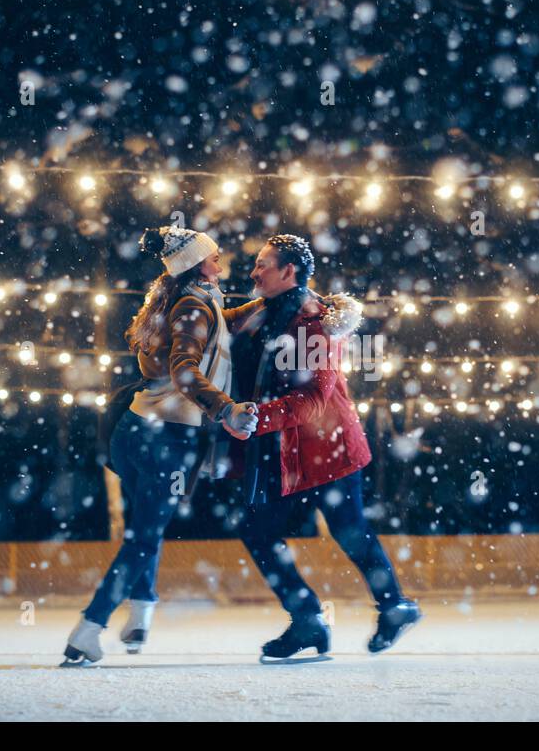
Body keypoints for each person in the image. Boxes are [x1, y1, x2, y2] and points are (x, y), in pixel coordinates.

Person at [63, 226, 261, 665]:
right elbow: (185, 371)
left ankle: (141, 613)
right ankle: (89, 628)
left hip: (134, 433)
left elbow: (217, 325)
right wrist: (225, 409)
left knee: (145, 529)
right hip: (166, 439)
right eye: (213, 257)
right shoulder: (193, 304)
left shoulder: (188, 300)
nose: (220, 263)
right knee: (143, 537)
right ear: (195, 264)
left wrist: (263, 307)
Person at [227, 233, 422, 661]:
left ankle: (383, 608)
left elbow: (314, 399)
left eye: (263, 264)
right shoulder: (264, 311)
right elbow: (220, 321)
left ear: (288, 271)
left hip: (328, 452)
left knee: (347, 532)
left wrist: (257, 417)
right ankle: (316, 618)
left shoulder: (314, 322)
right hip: (290, 452)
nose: (255, 272)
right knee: (262, 531)